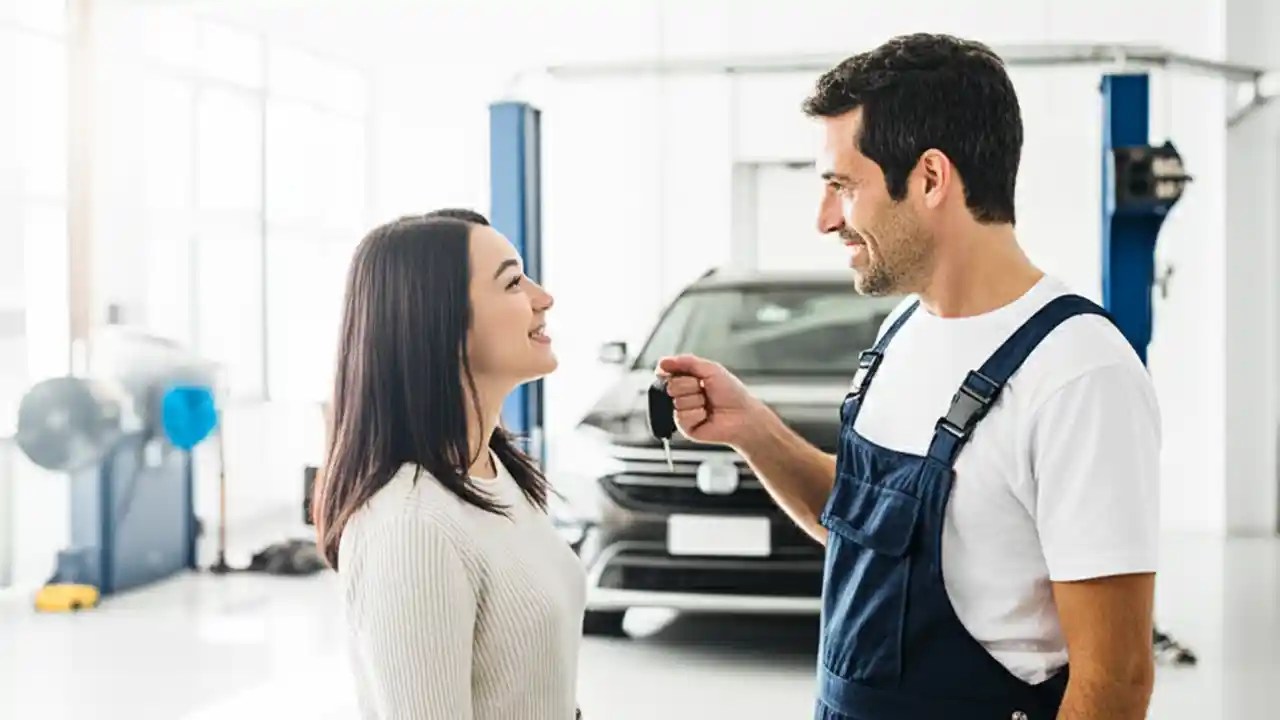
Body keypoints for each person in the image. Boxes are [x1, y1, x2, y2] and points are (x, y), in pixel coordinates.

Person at [659, 34, 1159, 720]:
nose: (825, 220)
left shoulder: (1078, 374)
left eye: (843, 186)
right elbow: (863, 528)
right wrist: (751, 428)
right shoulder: (902, 331)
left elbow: (1115, 683)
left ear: (929, 178)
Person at [312, 209, 586, 720]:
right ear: (440, 322)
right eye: (513, 282)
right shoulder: (414, 525)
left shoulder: (496, 473)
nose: (542, 297)